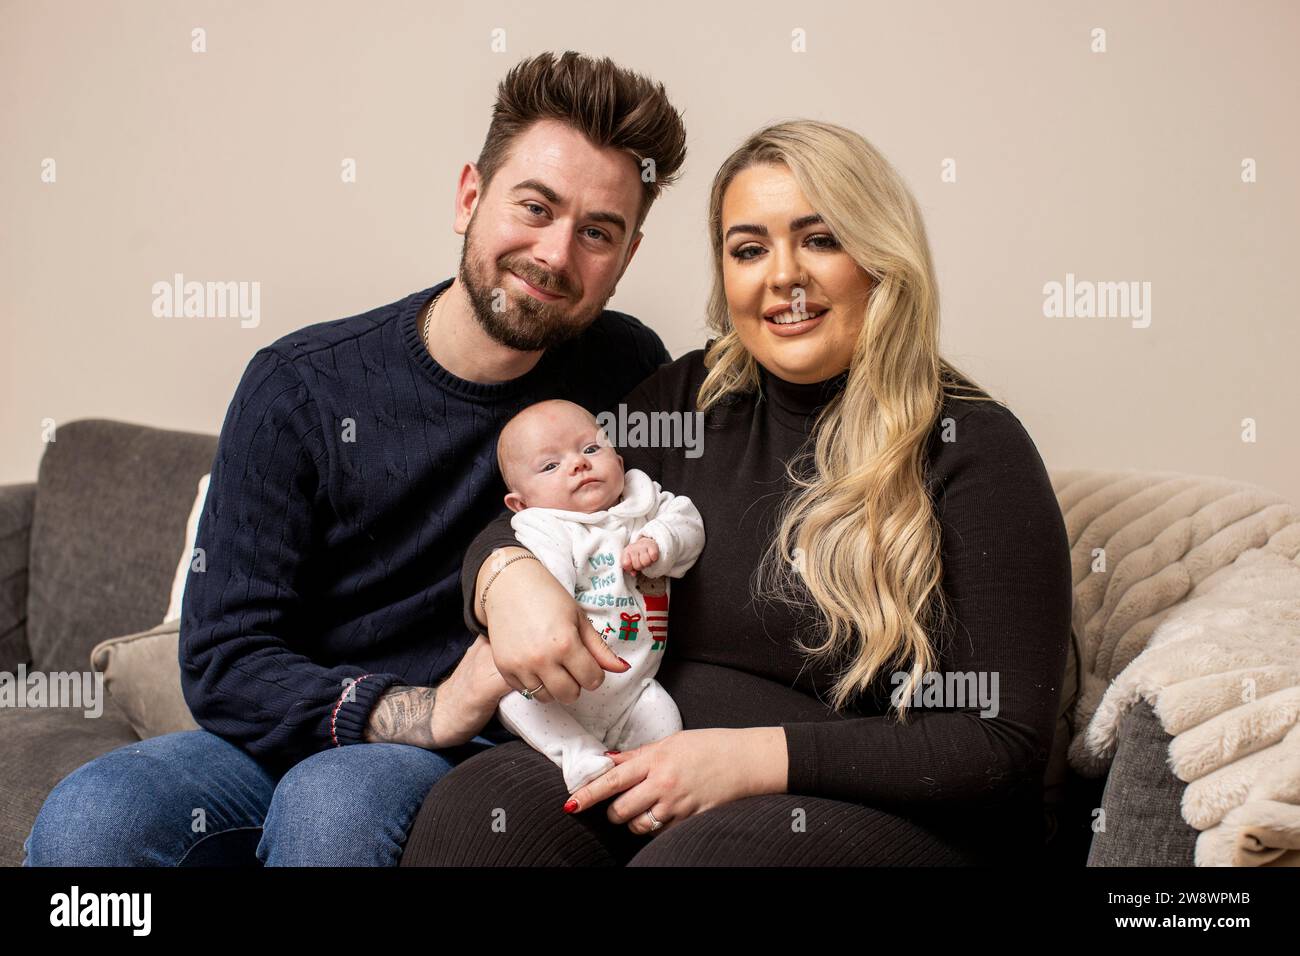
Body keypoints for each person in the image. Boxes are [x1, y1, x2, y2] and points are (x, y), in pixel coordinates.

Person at [22, 51, 687, 867]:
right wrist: (429, 705)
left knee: (333, 806)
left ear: (627, 257)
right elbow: (225, 661)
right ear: (469, 197)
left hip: (510, 742)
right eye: (535, 207)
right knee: (92, 818)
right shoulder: (300, 387)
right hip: (299, 732)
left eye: (597, 233)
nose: (555, 254)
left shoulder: (627, 372)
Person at [397, 119, 1074, 866]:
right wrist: (505, 577)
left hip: (886, 810)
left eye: (820, 239)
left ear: (882, 256)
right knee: (479, 816)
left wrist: (749, 761)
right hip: (654, 752)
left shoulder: (972, 445)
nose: (782, 276)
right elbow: (541, 499)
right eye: (749, 250)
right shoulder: (689, 400)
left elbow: (1000, 740)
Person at [493, 399, 705, 793]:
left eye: (591, 449)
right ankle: (579, 755)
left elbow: (688, 523)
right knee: (514, 702)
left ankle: (649, 786)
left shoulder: (643, 504)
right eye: (550, 465)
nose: (578, 464)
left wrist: (658, 541)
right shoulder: (545, 526)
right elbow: (544, 586)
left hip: (633, 685)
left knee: (663, 721)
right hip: (558, 689)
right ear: (520, 503)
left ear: (619, 463)